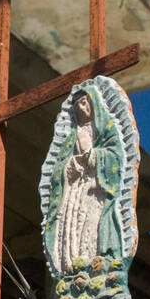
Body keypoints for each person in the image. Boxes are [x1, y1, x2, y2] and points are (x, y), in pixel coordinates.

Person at [44, 83, 126, 274]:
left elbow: (116, 156)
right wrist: (70, 167)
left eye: (84, 102)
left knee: (92, 223)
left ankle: (94, 264)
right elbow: (61, 166)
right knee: (74, 226)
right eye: (78, 106)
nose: (82, 108)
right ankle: (72, 267)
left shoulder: (105, 129)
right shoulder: (74, 135)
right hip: (77, 189)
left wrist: (96, 156)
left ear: (93, 103)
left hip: (96, 188)